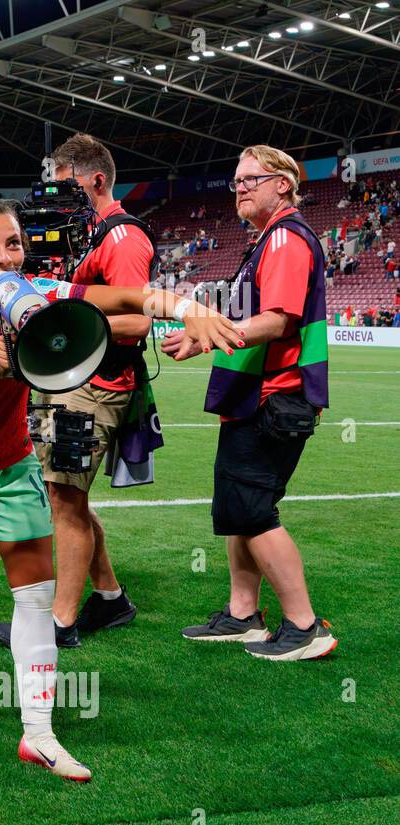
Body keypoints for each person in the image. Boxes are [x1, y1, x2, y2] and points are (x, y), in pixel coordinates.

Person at [0, 196, 240, 790]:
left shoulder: (40, 295)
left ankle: (39, 733)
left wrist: (187, 307)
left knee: (35, 598)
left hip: (7, 465)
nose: (3, 256)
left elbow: (129, 298)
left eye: (11, 243)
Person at [165, 145, 336, 661]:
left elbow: (278, 319)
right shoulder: (270, 238)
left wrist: (212, 334)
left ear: (282, 183)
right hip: (257, 396)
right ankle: (243, 615)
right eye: (236, 180)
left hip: (274, 397)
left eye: (250, 179)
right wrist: (202, 340)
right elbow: (256, 323)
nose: (239, 187)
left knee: (255, 508)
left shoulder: (284, 237)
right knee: (239, 509)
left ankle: (305, 627)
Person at [0, 134, 155, 650]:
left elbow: (136, 322)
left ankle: (57, 622)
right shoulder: (86, 236)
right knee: (63, 492)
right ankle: (109, 599)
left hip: (96, 386)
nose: (59, 200)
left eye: (67, 187)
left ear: (96, 180)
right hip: (64, 384)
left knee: (65, 499)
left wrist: (62, 311)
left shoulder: (122, 239)